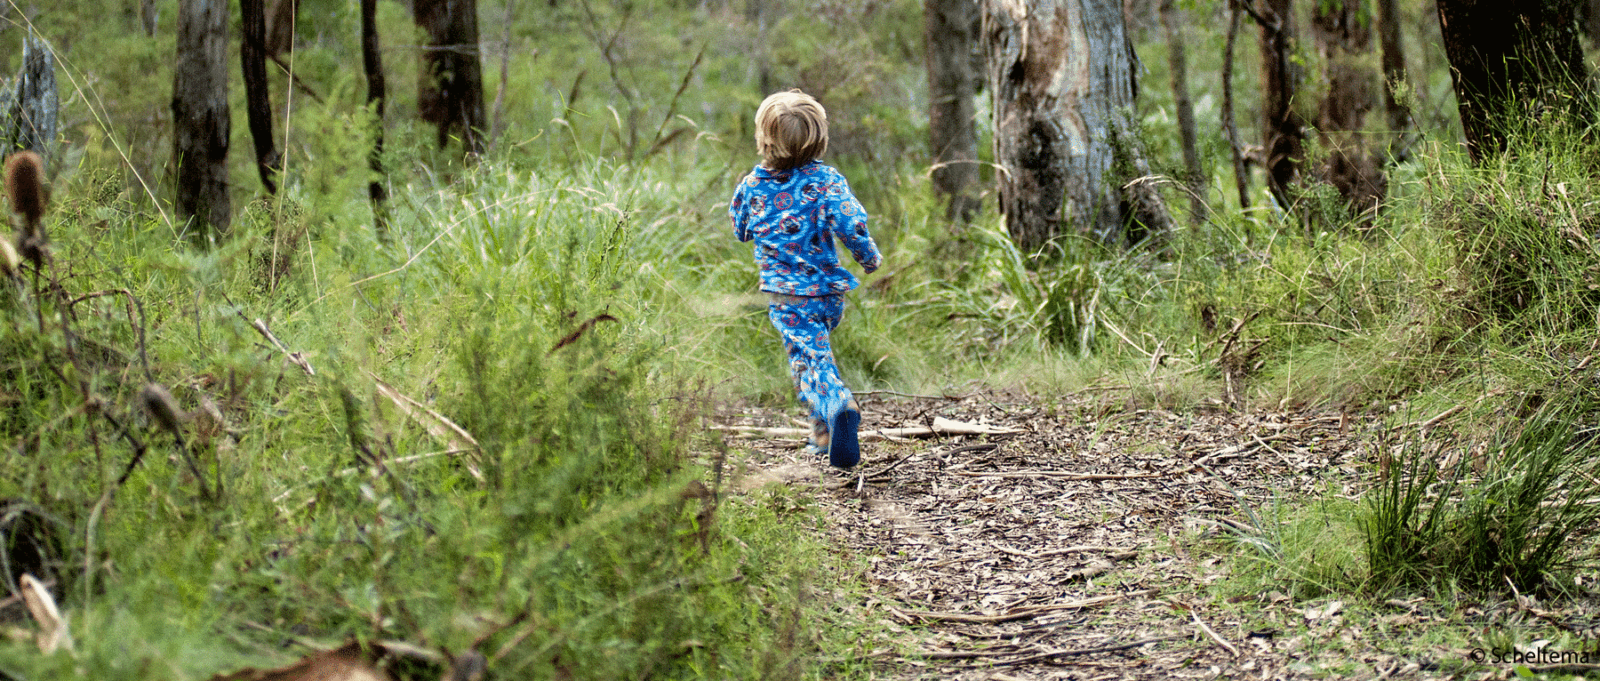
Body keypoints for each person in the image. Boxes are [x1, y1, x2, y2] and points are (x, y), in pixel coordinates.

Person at [729, 89, 882, 469]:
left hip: (787, 296)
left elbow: (740, 229)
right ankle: (824, 434)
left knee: (809, 361)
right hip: (829, 294)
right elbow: (852, 224)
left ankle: (837, 404)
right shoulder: (827, 179)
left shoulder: (752, 185)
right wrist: (868, 257)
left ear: (764, 139)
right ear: (819, 138)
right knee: (809, 358)